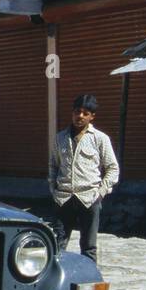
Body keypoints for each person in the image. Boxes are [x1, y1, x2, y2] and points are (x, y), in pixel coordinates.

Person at [48, 94, 120, 264]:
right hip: (64, 198)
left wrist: (100, 192)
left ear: (92, 116)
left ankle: (89, 285)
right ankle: (57, 282)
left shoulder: (100, 139)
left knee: (89, 247)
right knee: (57, 245)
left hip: (89, 199)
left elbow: (112, 168)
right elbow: (53, 166)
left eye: (85, 113)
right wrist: (54, 189)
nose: (80, 116)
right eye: (77, 112)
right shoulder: (60, 138)